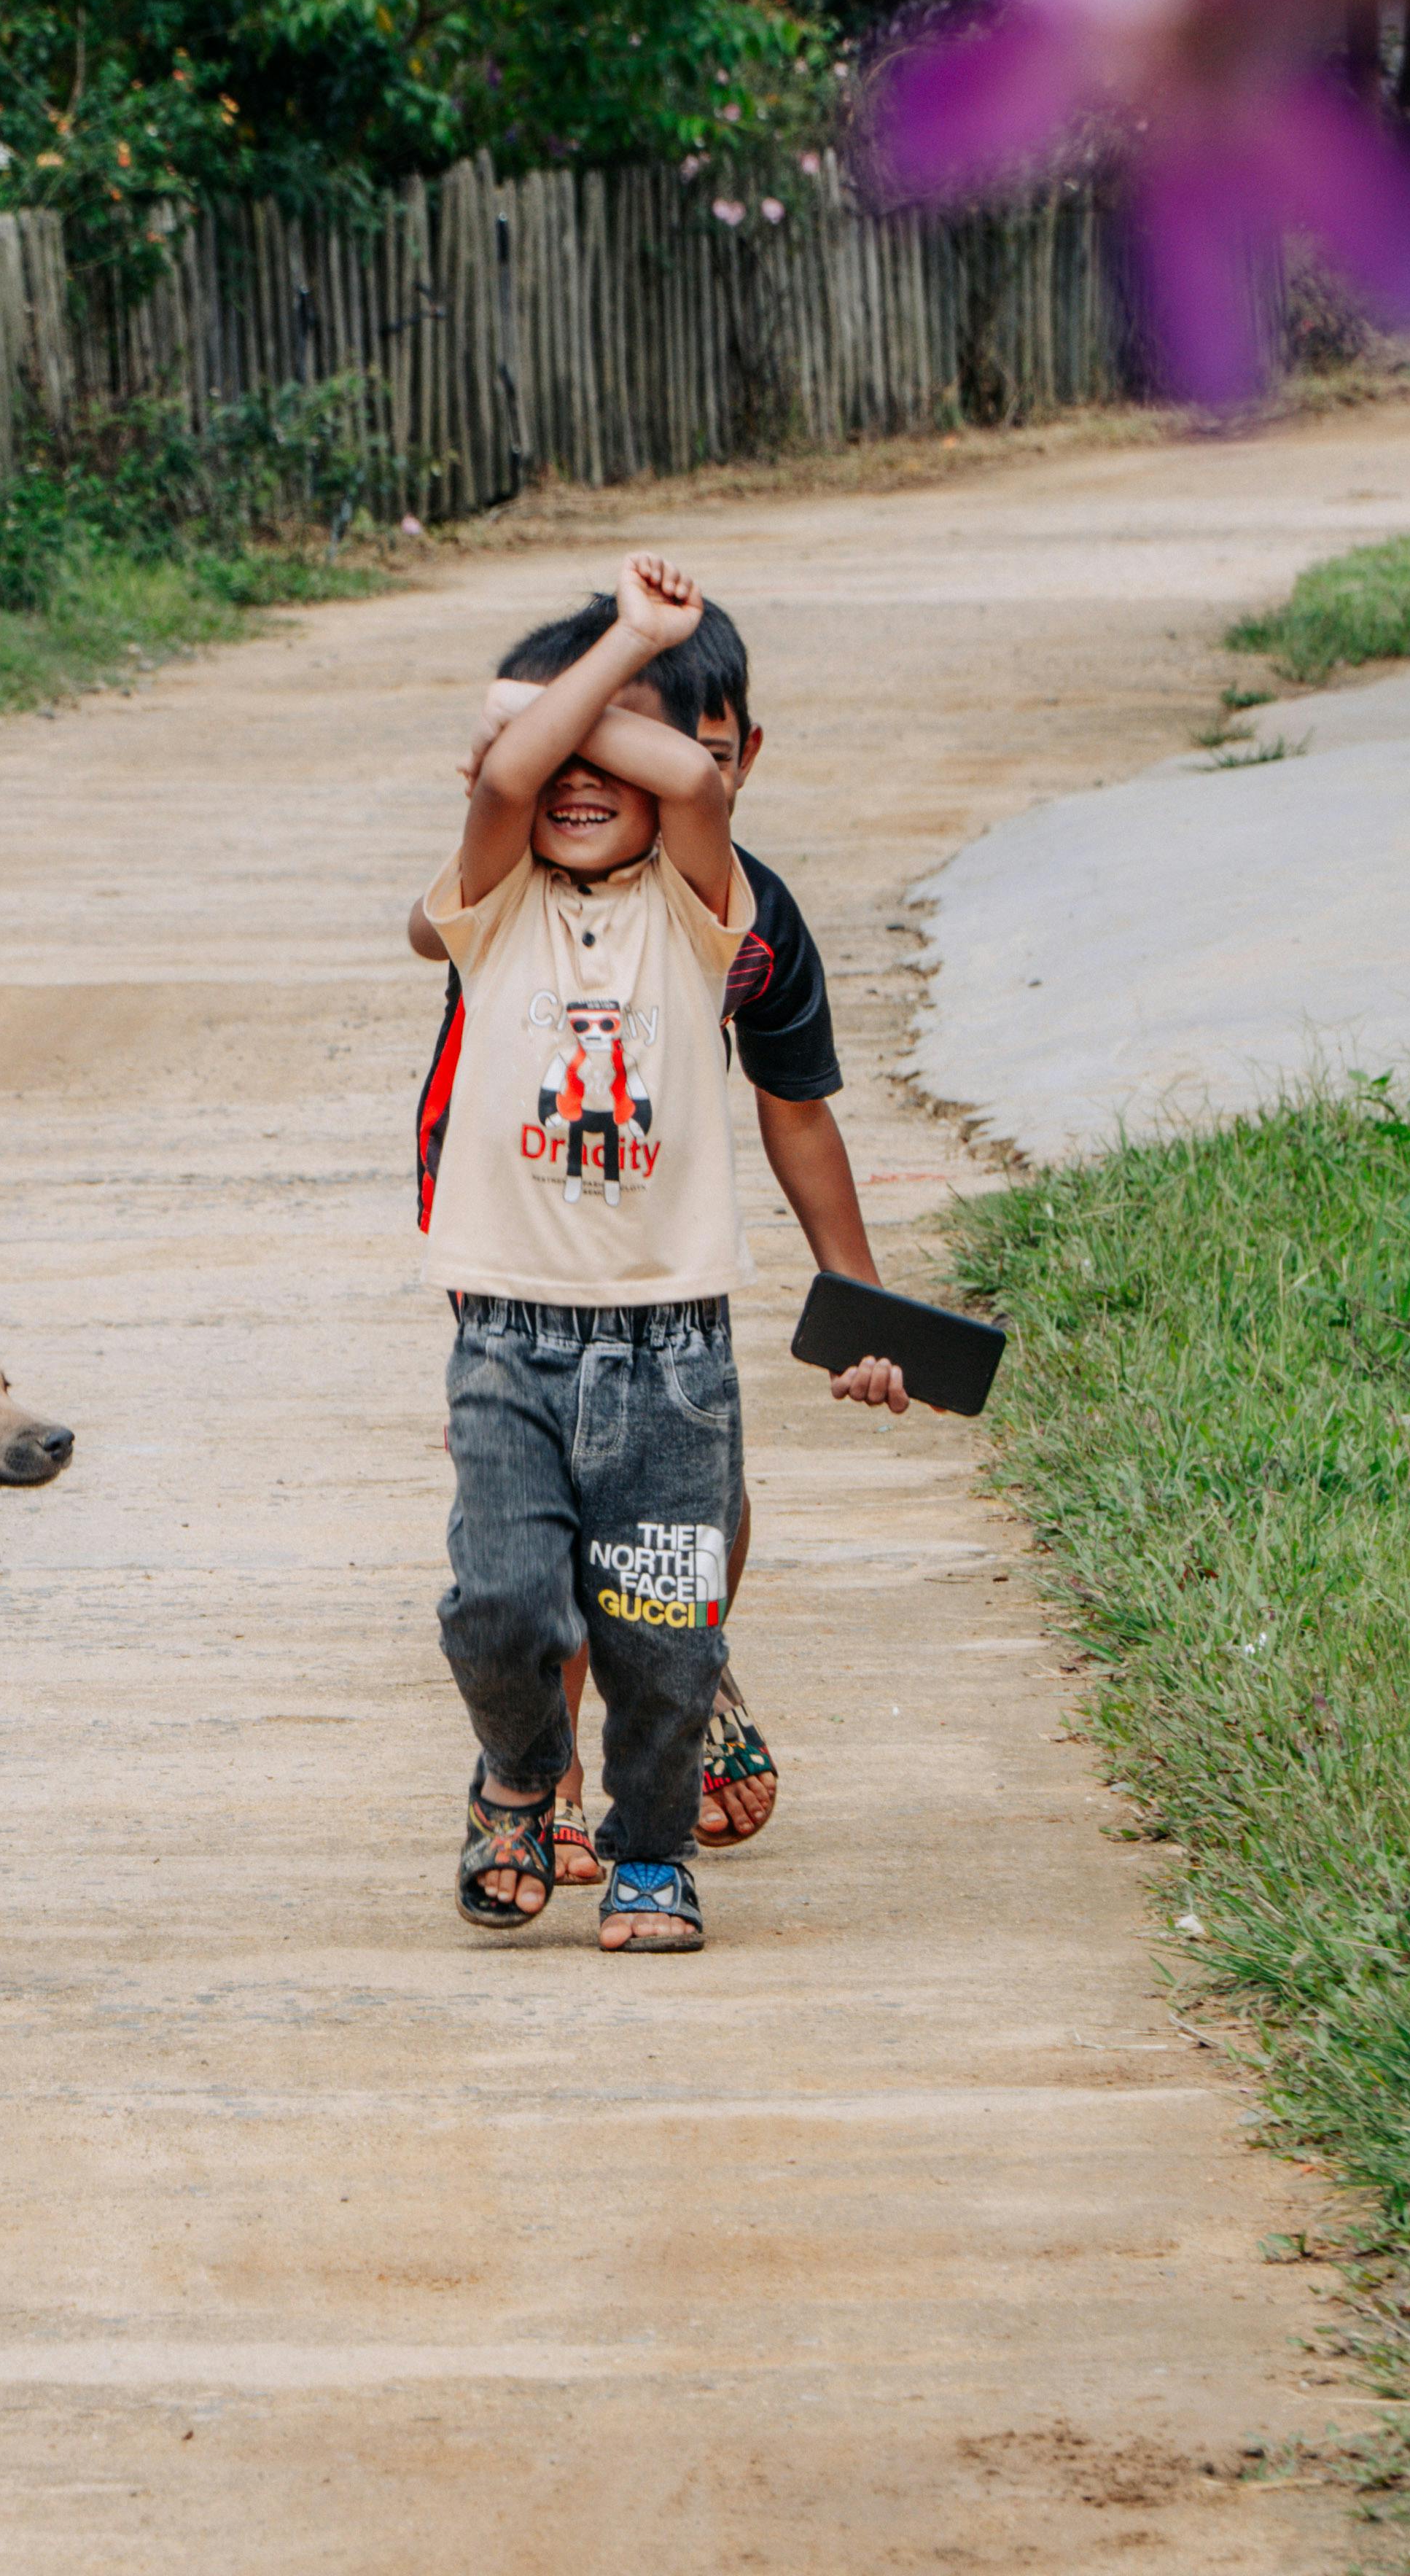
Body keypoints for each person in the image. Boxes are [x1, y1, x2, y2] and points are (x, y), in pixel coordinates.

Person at [408, 591, 904, 1882]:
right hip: (514, 1245)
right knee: (532, 1546)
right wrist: (598, 677)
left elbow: (798, 1115)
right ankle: (540, 1767)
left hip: (667, 1287)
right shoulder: (502, 887)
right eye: (568, 748)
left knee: (678, 1537)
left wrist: (862, 1304)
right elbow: (506, 779)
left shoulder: (736, 913)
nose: (590, 771)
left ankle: (678, 1690)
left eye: (649, 747)